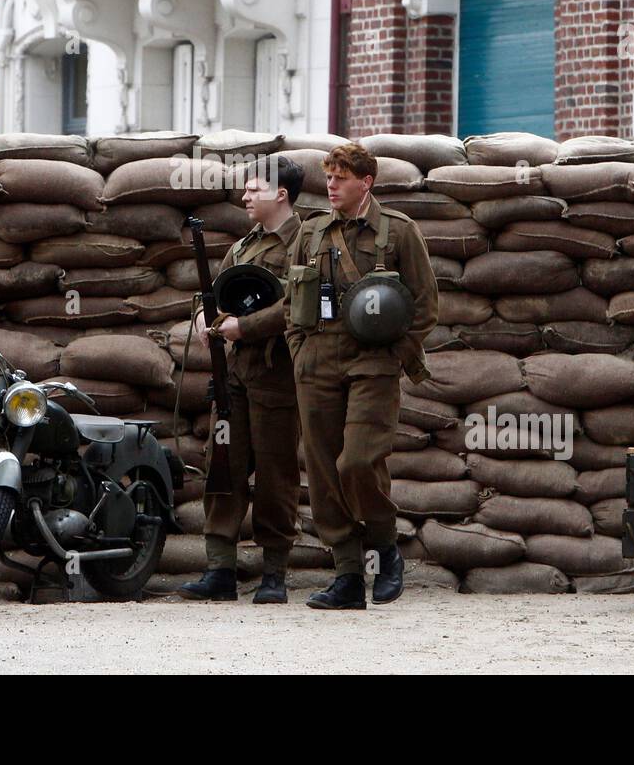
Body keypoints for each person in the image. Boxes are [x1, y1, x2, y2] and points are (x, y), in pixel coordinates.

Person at [283, 143, 439, 610]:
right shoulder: (310, 232)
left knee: (357, 461)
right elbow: (292, 302)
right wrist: (299, 351)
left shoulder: (399, 233)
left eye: (340, 178)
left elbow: (425, 306)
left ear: (365, 182)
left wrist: (396, 355)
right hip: (318, 360)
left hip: (373, 362)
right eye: (327, 177)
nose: (330, 185)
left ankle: (385, 546)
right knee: (324, 470)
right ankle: (348, 575)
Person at [178, 155, 305, 604]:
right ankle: (220, 570)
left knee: (275, 473)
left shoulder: (305, 244)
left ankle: (274, 575)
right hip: (234, 373)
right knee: (223, 466)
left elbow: (297, 306)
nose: (245, 196)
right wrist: (202, 315)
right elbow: (214, 292)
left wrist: (244, 328)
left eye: (253, 189)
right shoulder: (244, 246)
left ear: (281, 194)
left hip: (278, 374)